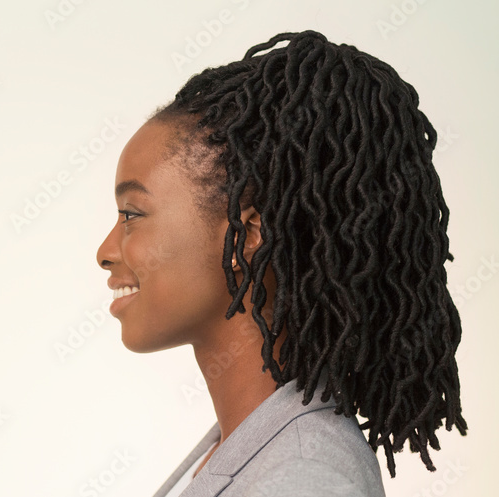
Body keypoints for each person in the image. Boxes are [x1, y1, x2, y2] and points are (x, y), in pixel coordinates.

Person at [95, 30, 468, 496]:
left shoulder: (303, 476)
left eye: (132, 214)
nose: (105, 252)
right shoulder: (247, 445)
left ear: (245, 237)